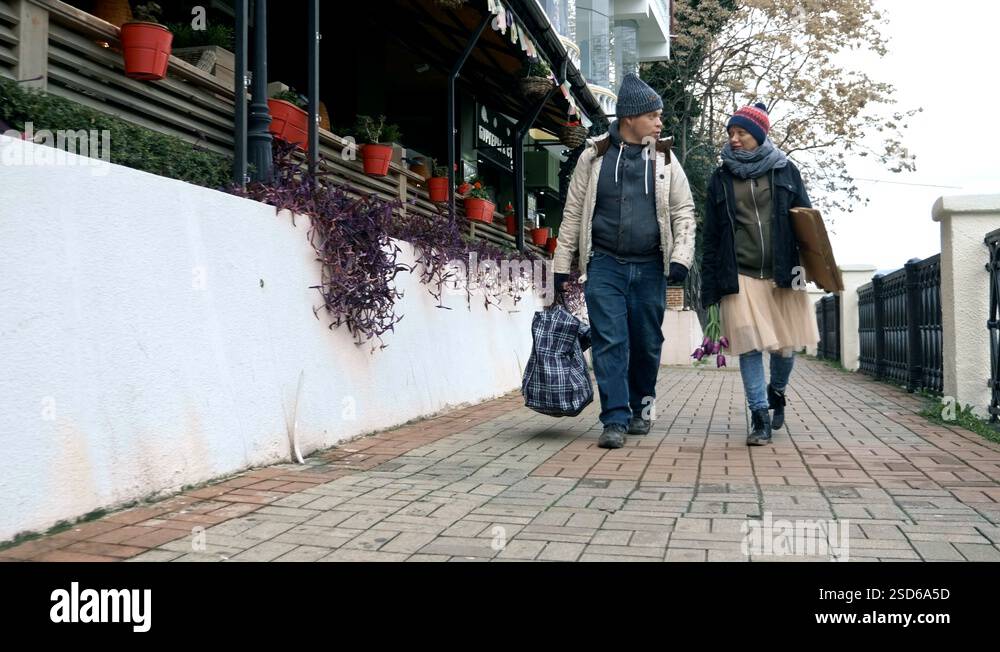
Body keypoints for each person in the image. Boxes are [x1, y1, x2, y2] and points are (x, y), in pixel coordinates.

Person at [553, 73, 696, 449]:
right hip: (605, 265)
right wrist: (560, 264)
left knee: (647, 343)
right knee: (609, 341)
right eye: (654, 115)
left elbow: (683, 210)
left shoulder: (664, 157)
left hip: (650, 266)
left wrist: (680, 257)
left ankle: (641, 409)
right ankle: (614, 418)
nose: (660, 122)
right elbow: (572, 213)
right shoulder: (594, 156)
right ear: (630, 118)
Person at [700, 102, 819, 445]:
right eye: (730, 133)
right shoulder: (721, 178)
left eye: (741, 133)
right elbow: (712, 235)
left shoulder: (785, 171)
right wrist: (711, 286)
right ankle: (759, 415)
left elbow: (806, 221)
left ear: (758, 135)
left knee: (786, 347)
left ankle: (777, 390)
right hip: (740, 273)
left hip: (785, 270)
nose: (733, 139)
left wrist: (815, 268)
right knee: (750, 346)